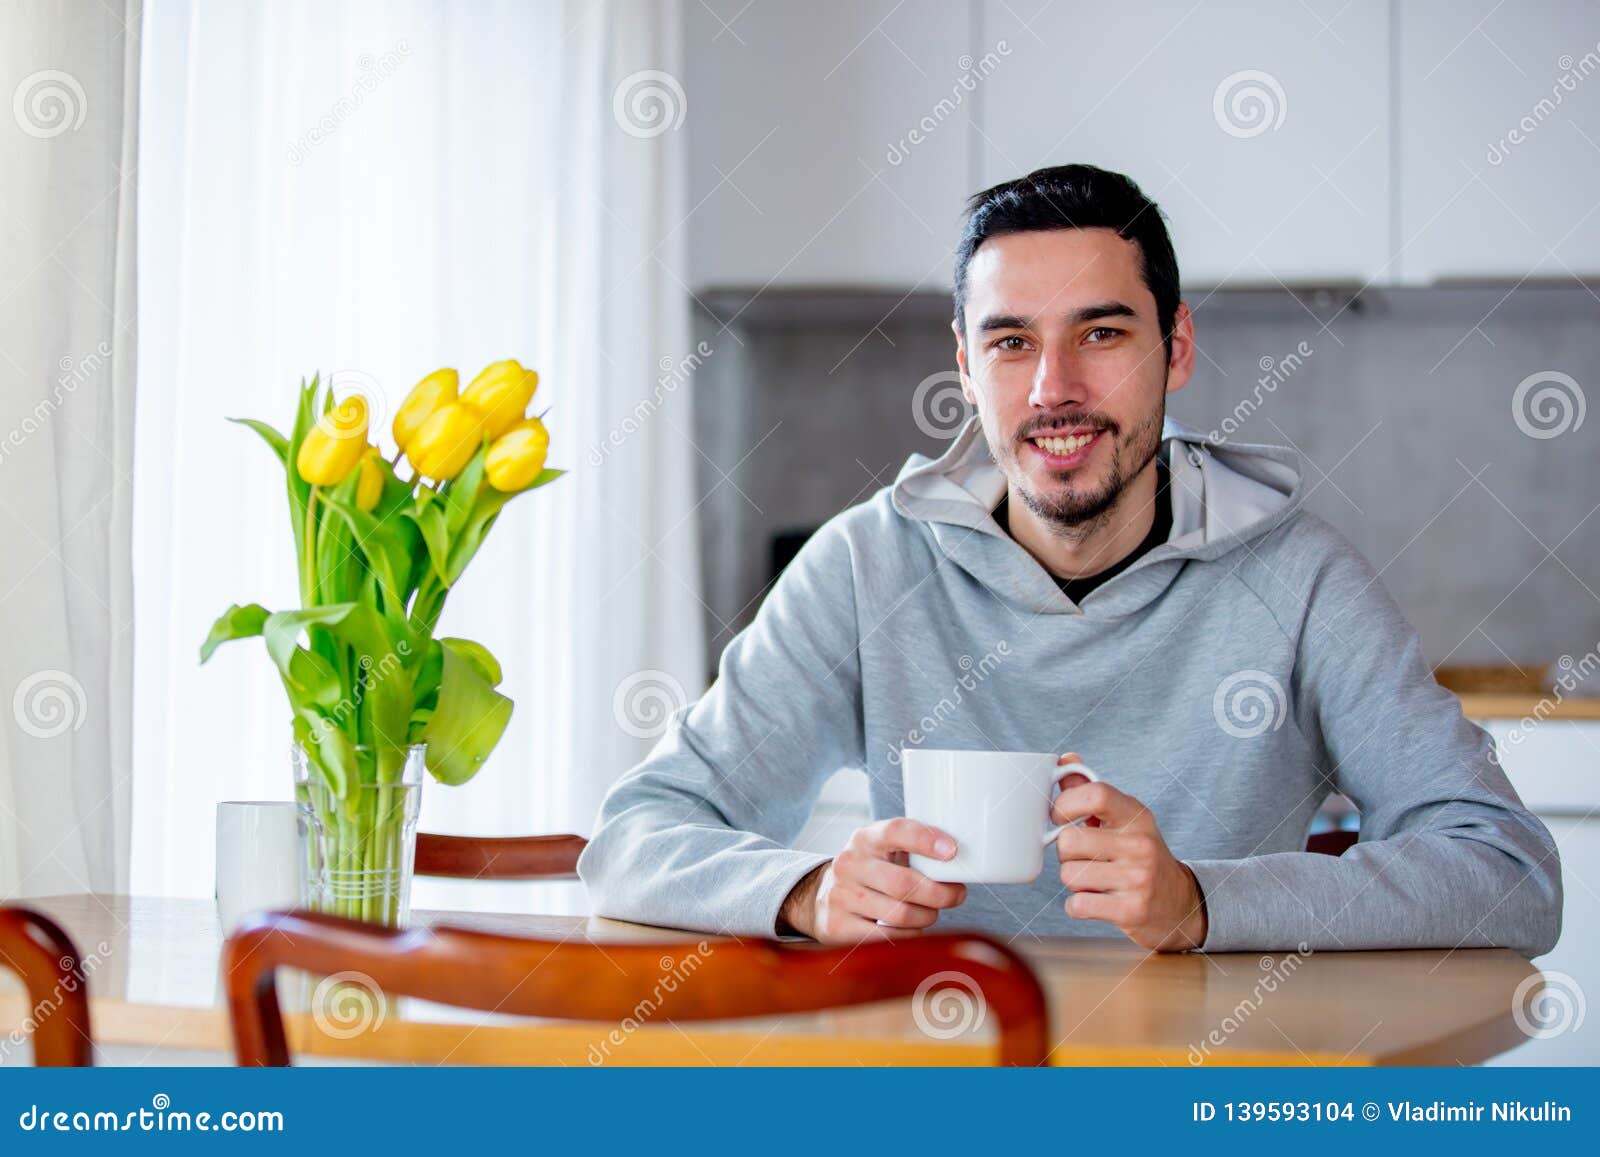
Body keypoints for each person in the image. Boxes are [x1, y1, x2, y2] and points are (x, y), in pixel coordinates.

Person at [578, 164, 1561, 957]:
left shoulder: (1297, 579)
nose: (1055, 387)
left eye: (1101, 331)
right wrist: (807, 889)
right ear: (964, 366)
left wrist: (1200, 903)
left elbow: (1508, 876)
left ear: (1174, 347)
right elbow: (632, 837)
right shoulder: (866, 566)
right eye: (1010, 342)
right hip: (942, 1085)